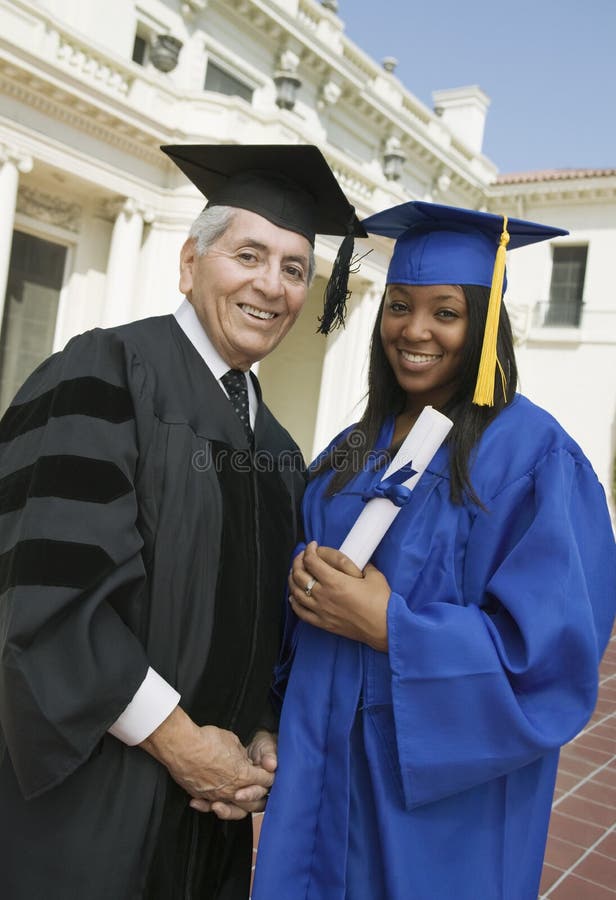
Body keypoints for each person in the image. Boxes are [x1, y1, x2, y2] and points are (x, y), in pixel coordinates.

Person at [0, 143, 365, 899]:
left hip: (213, 808)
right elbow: (46, 593)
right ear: (190, 261)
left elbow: (262, 619)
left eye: (295, 268)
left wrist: (263, 729)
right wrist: (180, 743)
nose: (273, 285)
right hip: (97, 786)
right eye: (249, 255)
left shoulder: (277, 448)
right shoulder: (103, 372)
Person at [251, 201, 616, 900]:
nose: (414, 331)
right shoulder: (354, 446)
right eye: (398, 306)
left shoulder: (534, 455)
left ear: (483, 325)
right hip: (323, 773)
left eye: (445, 312)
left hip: (437, 804)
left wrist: (394, 626)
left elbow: (553, 657)